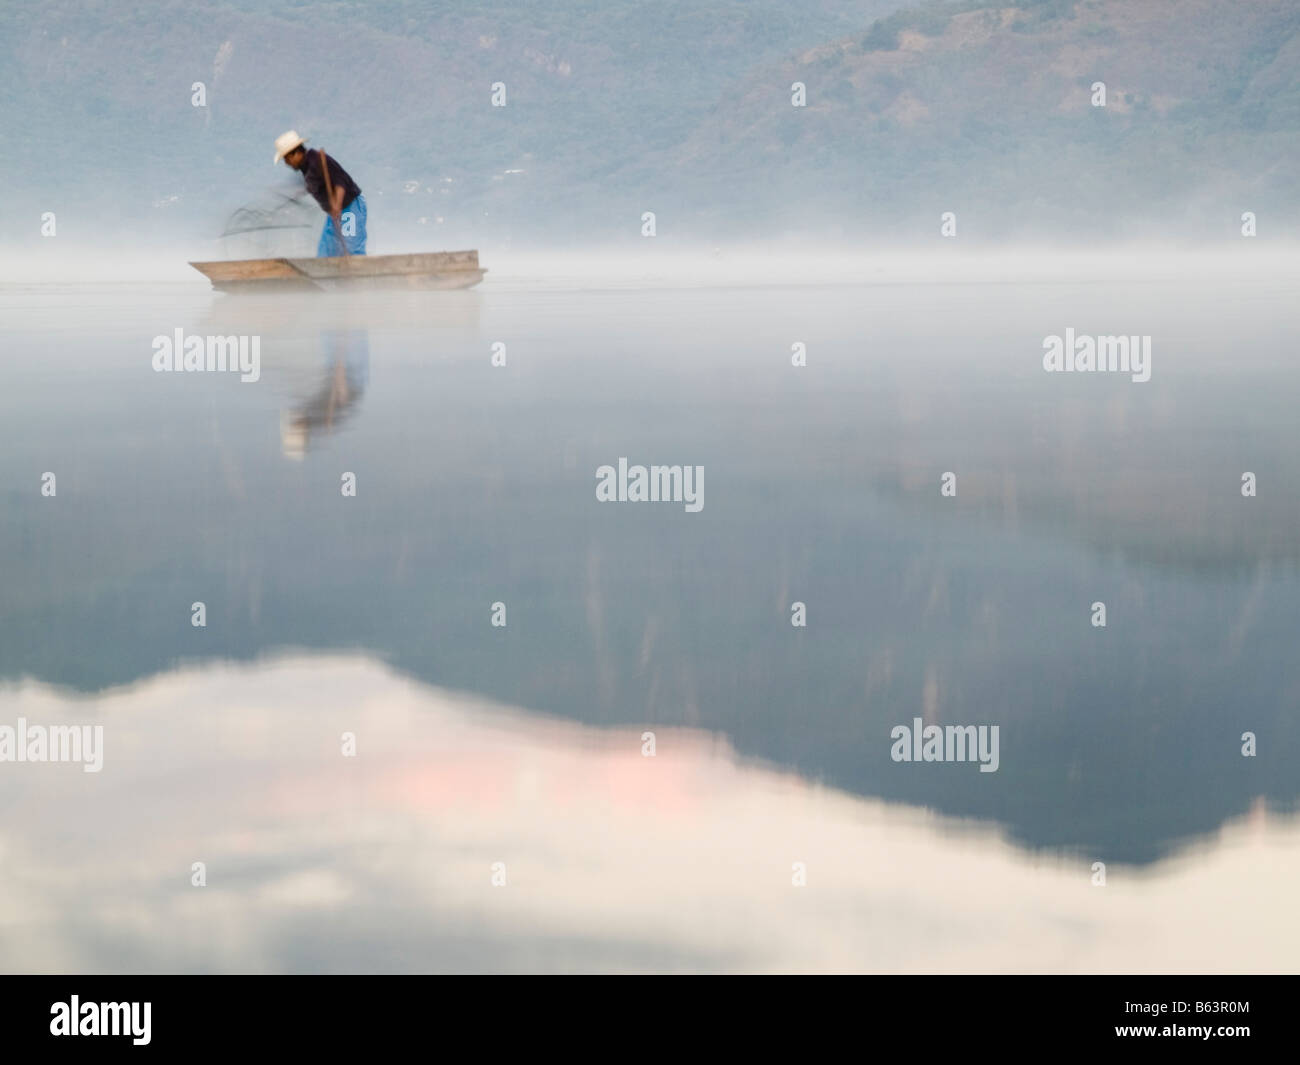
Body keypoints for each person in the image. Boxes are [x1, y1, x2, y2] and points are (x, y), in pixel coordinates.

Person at [273, 130, 367, 257]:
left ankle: (359, 274)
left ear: (295, 154)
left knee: (351, 248)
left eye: (287, 159)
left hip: (348, 209)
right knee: (326, 252)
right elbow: (314, 185)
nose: (287, 163)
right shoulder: (306, 167)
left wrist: (337, 205)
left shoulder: (318, 160)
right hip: (334, 214)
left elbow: (341, 183)